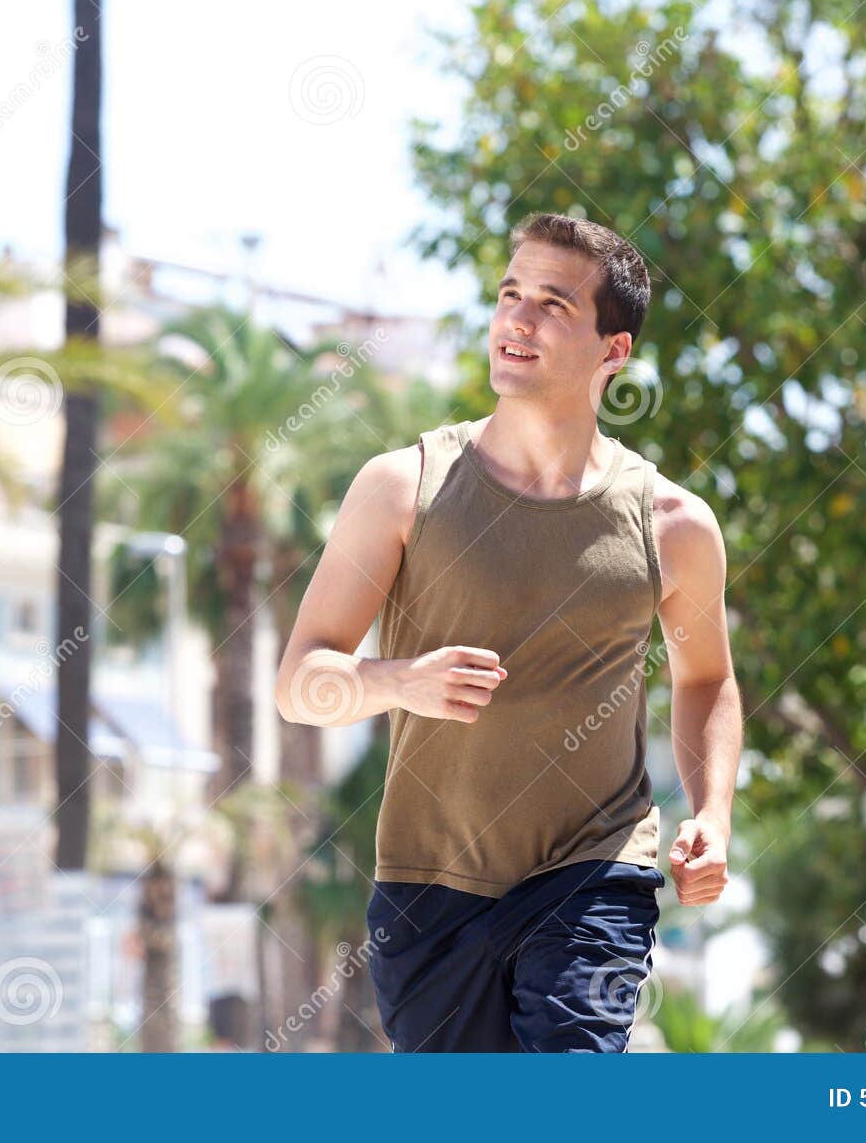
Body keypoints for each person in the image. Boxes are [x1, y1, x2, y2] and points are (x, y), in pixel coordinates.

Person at [276, 212, 742, 1052]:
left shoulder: (673, 524)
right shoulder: (402, 486)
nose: (517, 321)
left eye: (554, 304)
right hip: (430, 885)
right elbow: (299, 681)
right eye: (509, 295)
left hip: (595, 870)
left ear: (614, 350)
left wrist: (713, 809)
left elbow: (706, 678)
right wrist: (397, 680)